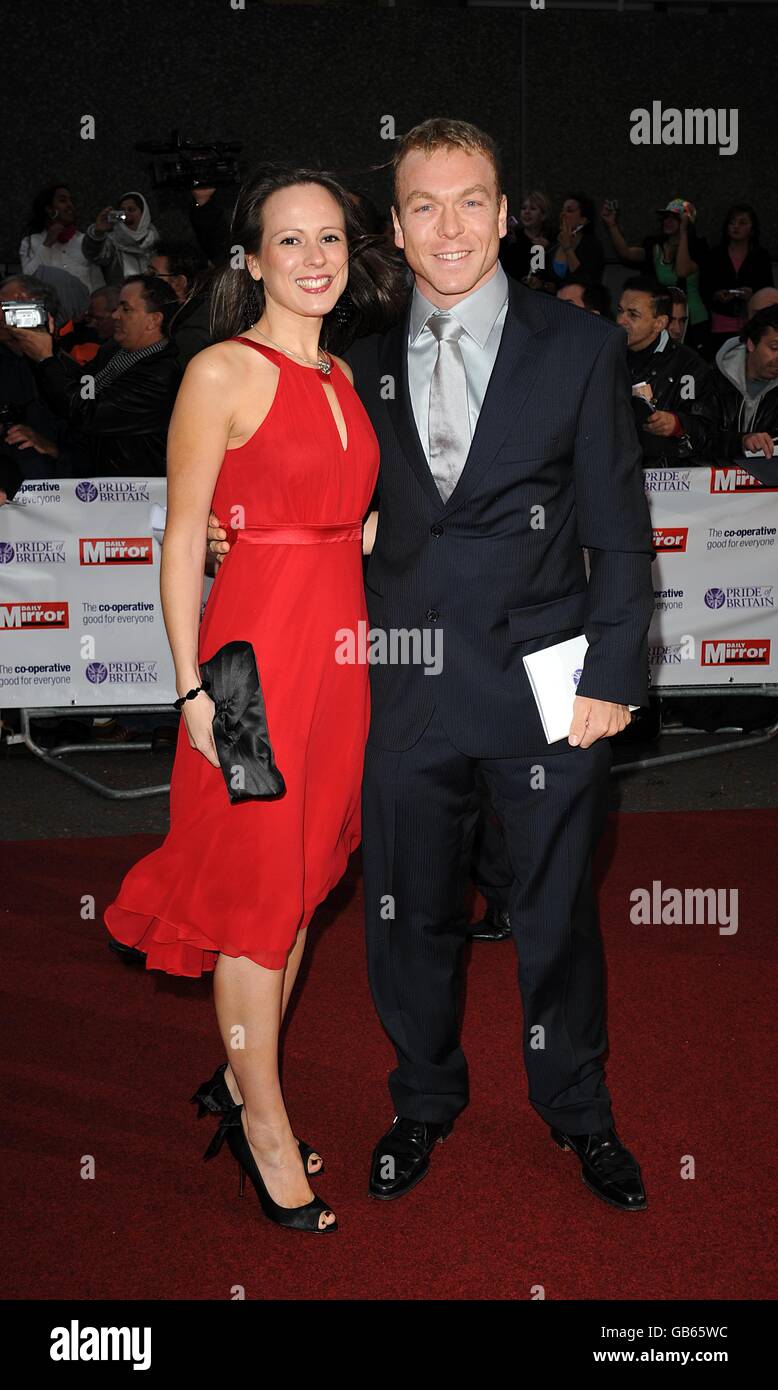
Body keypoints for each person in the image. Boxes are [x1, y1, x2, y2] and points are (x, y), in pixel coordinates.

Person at [208, 119, 655, 1214]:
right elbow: (305, 496)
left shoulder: (580, 347)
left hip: (547, 686)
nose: (448, 226)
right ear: (395, 230)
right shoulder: (347, 363)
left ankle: (577, 1109)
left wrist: (612, 673)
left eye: (470, 203)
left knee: (553, 913)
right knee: (409, 915)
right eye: (423, 205)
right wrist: (238, 534)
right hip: (397, 685)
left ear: (508, 219)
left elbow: (620, 527)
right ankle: (421, 1099)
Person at [103, 165, 407, 1235]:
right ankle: (263, 1126)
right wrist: (189, 682)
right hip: (243, 674)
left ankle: (240, 1085)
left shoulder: (345, 379)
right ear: (252, 260)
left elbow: (352, 527)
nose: (315, 259)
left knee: (303, 881)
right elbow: (184, 536)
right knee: (254, 894)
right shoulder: (221, 372)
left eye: (331, 238)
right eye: (291, 241)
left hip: (338, 663)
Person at [10, 274, 182, 476]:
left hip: (130, 488)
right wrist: (51, 350)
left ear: (153, 320)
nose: (115, 315)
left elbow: (88, 412)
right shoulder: (114, 350)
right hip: (92, 468)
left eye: (126, 309)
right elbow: (84, 387)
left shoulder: (160, 376)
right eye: (117, 307)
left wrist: (46, 358)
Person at [617, 276, 719, 466]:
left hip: (667, 479)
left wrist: (678, 424)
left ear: (659, 323)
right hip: (613, 471)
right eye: (620, 311)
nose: (621, 320)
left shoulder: (690, 366)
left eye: (633, 314)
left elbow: (710, 432)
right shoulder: (606, 357)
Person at [602, 196, 710, 356]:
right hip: (665, 314)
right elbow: (626, 253)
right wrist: (611, 224)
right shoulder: (655, 245)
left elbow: (682, 271)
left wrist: (683, 233)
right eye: (666, 217)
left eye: (675, 218)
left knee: (689, 360)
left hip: (692, 319)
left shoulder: (698, 247)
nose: (668, 221)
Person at [701, 204, 773, 360]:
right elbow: (705, 287)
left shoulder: (761, 256)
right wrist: (716, 295)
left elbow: (768, 290)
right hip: (720, 323)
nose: (736, 227)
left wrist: (753, 296)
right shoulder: (715, 255)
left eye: (742, 222)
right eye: (732, 222)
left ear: (752, 229)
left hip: (752, 322)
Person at [712, 305, 778, 461]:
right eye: (774, 347)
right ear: (751, 344)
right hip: (712, 478)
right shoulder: (711, 379)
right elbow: (699, 438)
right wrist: (741, 442)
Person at [19, 184, 105, 294]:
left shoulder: (85, 241)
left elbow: (98, 284)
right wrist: (47, 243)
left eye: (71, 201)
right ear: (49, 209)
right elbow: (28, 280)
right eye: (62, 200)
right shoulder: (30, 242)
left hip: (85, 309)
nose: (70, 205)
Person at [148, 240, 213, 366]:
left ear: (178, 283)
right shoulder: (190, 313)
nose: (144, 280)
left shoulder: (192, 334)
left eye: (153, 274)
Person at [82, 191, 159, 282]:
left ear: (143, 214)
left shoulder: (154, 240)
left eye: (131, 210)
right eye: (122, 211)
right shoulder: (112, 242)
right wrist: (98, 232)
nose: (126, 214)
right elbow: (93, 255)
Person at [546, 192, 604, 289]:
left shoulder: (592, 246)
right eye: (562, 210)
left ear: (583, 220)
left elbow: (586, 282)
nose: (562, 214)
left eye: (569, 210)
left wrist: (568, 249)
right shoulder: (553, 245)